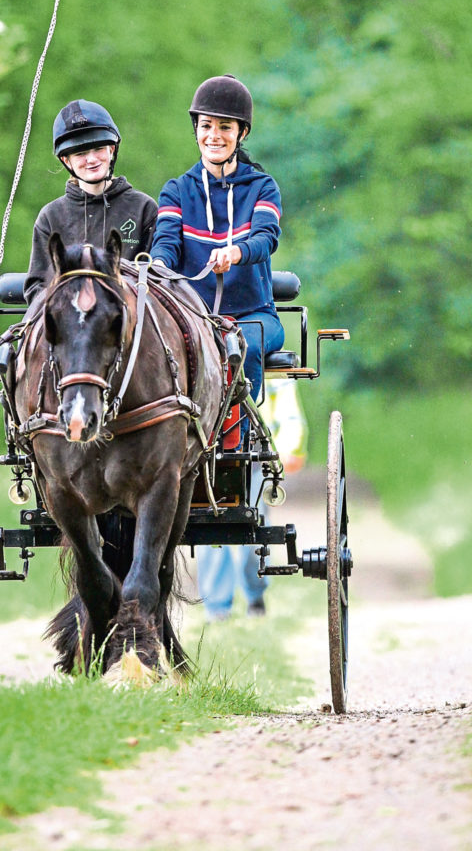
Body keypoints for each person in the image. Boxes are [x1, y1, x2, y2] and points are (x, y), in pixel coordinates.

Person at [149, 73, 285, 620]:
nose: (214, 135)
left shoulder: (262, 187)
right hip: (194, 317)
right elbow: (165, 241)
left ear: (241, 132)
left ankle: (235, 443)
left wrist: (237, 251)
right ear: (196, 130)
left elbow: (267, 237)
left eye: (225, 127)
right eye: (206, 126)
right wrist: (158, 267)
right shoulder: (177, 190)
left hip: (252, 315)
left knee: (239, 345)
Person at [24, 100, 157, 304]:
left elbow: (157, 282)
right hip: (68, 319)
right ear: (66, 161)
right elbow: (38, 287)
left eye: (98, 149)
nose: (92, 160)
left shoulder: (143, 208)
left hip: (131, 317)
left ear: (112, 149)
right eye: (81, 153)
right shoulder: (51, 217)